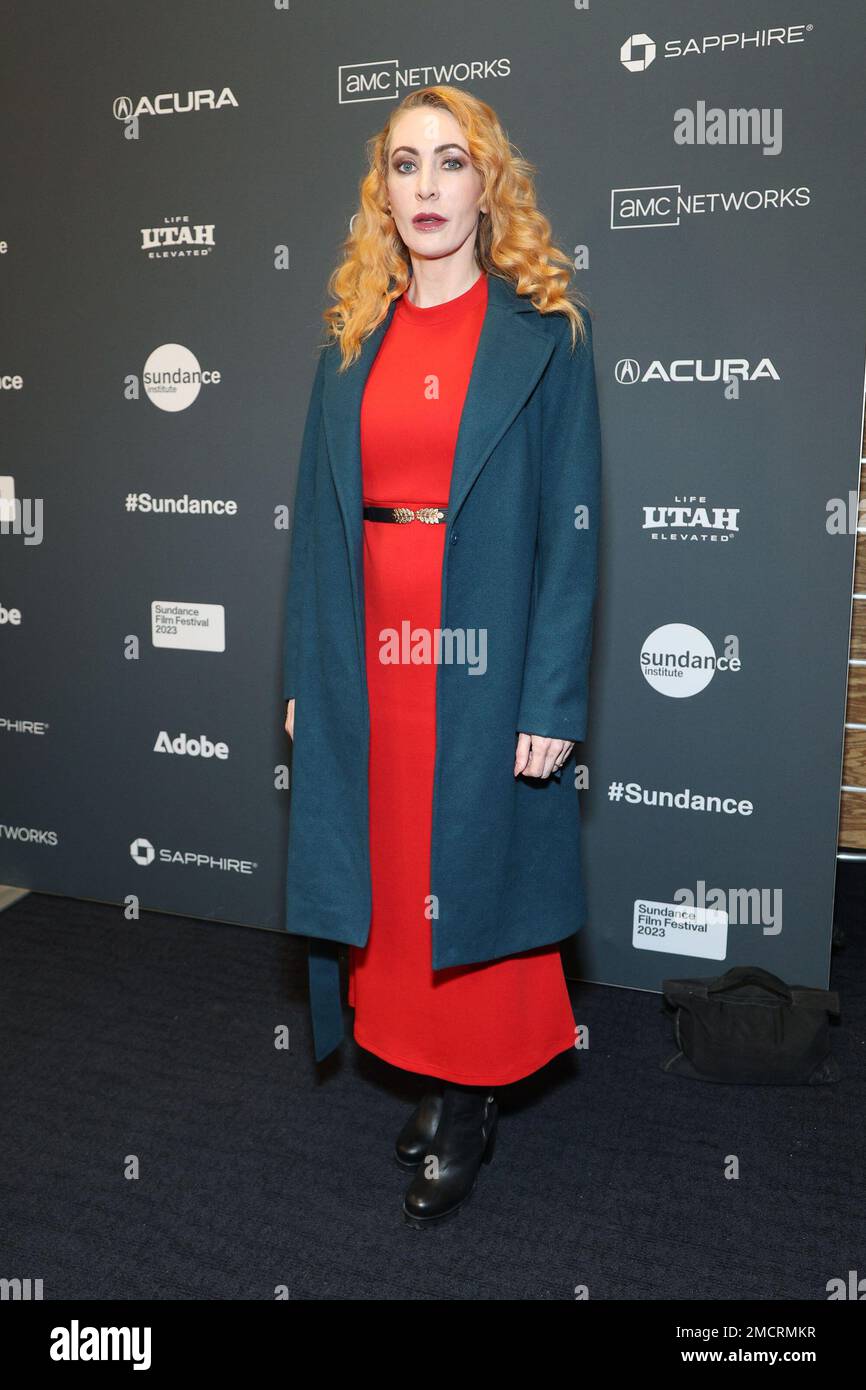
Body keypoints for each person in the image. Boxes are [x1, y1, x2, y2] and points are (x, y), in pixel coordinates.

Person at [282, 84, 602, 1227]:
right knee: (388, 861)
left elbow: (572, 534)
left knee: (467, 865)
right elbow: (317, 528)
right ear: (385, 190)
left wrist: (551, 693)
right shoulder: (350, 338)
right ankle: (425, 1069)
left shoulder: (543, 337)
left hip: (482, 649)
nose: (426, 186)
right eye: (405, 165)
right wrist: (302, 680)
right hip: (367, 650)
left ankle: (466, 1100)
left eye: (449, 162)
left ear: (486, 185)